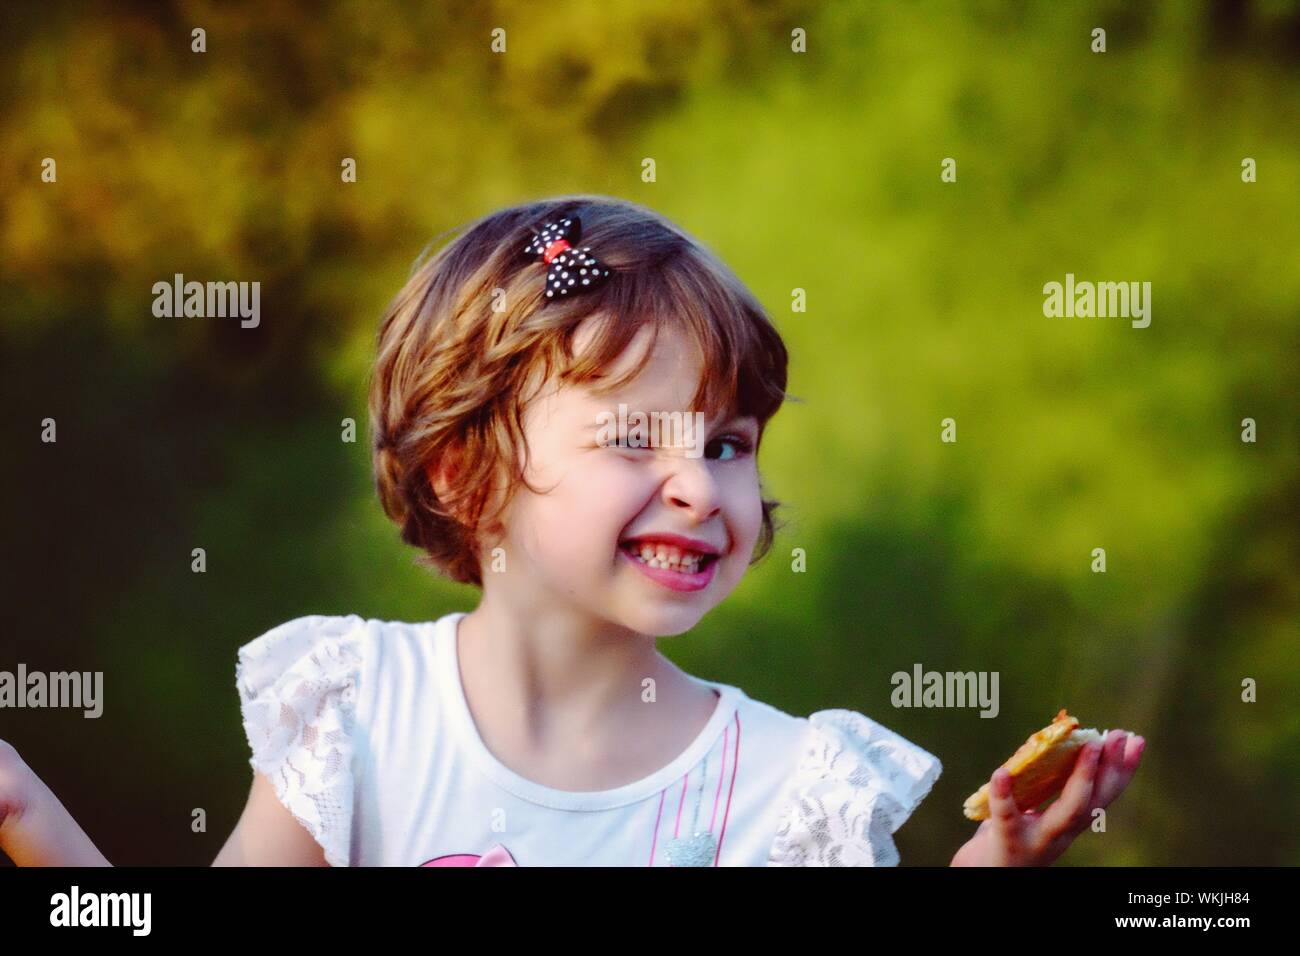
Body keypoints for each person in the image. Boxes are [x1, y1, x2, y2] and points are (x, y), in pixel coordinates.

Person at [0, 195, 1144, 866]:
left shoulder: (794, 787)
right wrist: (32, 815)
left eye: (730, 441)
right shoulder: (358, 706)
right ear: (462, 468)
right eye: (636, 437)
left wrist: (994, 860)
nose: (700, 486)